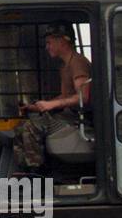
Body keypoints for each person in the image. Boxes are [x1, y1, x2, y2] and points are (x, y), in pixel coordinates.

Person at [12, 23, 92, 171]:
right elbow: (65, 95)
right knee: (20, 126)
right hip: (69, 116)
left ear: (62, 41)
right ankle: (25, 170)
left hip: (79, 119)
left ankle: (37, 173)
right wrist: (37, 106)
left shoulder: (77, 63)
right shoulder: (65, 65)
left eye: (49, 42)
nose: (47, 47)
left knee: (30, 127)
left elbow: (84, 97)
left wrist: (52, 106)